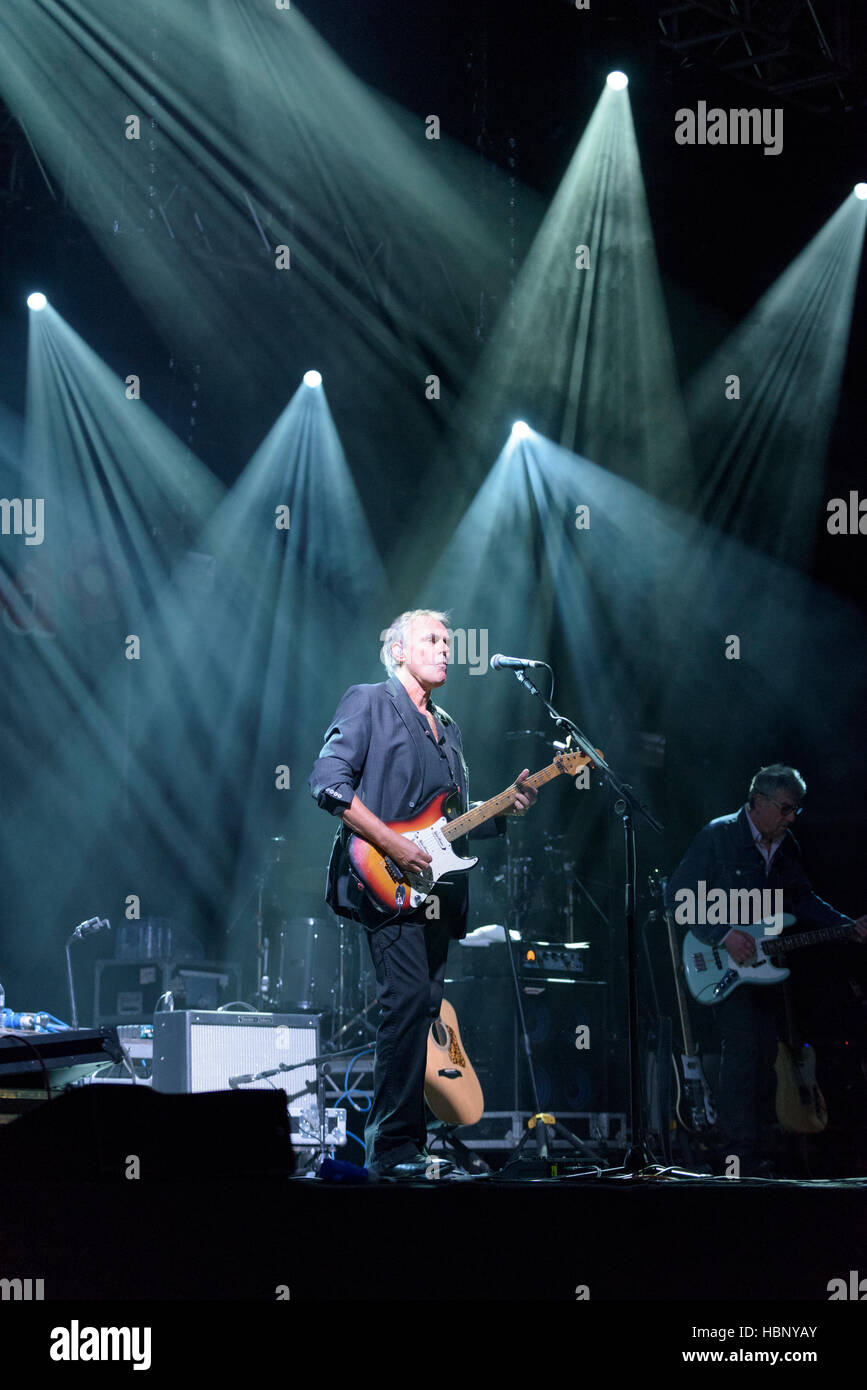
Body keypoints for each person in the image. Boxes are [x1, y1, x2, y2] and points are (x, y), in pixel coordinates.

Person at [308, 609, 538, 1178]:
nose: (444, 649)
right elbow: (327, 783)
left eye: (448, 641)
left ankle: (416, 1143)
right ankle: (389, 1149)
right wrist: (395, 845)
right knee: (406, 1003)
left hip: (435, 889)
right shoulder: (367, 701)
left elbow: (450, 824)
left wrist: (505, 806)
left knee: (426, 1008)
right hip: (383, 876)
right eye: (431, 640)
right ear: (397, 651)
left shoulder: (449, 728)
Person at [665, 764, 867, 1175]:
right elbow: (678, 894)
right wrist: (724, 935)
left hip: (765, 966)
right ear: (759, 802)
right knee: (741, 1053)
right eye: (786, 808)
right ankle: (737, 1153)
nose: (792, 817)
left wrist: (846, 926)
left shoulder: (786, 845)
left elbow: (803, 900)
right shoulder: (719, 835)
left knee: (766, 1057)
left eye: (796, 809)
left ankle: (759, 1146)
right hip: (720, 964)